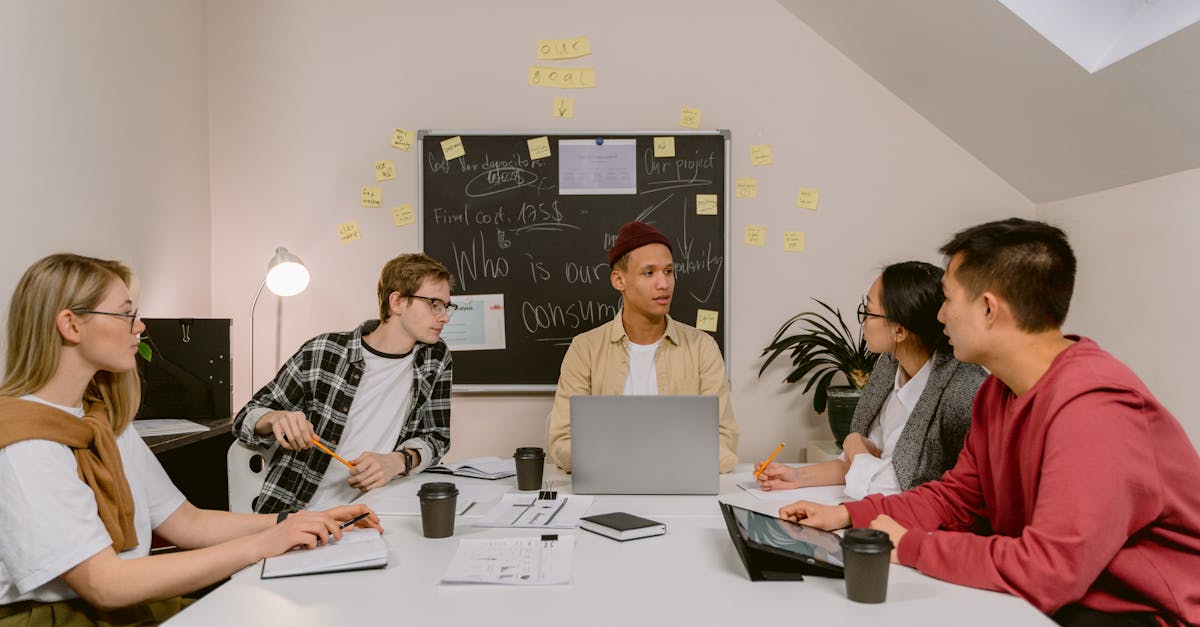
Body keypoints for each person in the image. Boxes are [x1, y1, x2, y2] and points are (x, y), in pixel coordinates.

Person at [780, 219, 1200, 626]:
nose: (939, 317)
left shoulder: (1095, 408)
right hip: (1068, 600)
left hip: (1142, 614)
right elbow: (956, 500)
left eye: (947, 299)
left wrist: (910, 545)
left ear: (987, 309)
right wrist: (851, 517)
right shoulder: (998, 393)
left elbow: (1047, 572)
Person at [0, 253, 380, 624]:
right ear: (71, 325)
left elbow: (187, 523)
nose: (140, 327)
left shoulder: (102, 419)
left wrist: (302, 520)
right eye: (126, 313)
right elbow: (106, 585)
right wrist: (269, 542)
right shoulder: (25, 443)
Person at [234, 253, 455, 513]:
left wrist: (398, 461)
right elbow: (245, 418)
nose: (445, 317)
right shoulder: (323, 351)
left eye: (447, 307)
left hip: (377, 510)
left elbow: (437, 437)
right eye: (434, 304)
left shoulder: (435, 357)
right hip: (299, 511)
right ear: (396, 302)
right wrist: (275, 419)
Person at [756, 261, 986, 498]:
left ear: (899, 331)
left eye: (869, 310)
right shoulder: (889, 365)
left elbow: (902, 487)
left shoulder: (963, 388)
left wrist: (854, 445)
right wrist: (796, 477)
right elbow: (860, 465)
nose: (863, 320)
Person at [547, 220, 739, 473]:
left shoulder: (702, 347)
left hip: (681, 485)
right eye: (649, 273)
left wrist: (658, 465)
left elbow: (724, 440)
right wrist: (617, 465)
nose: (664, 284)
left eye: (669, 271)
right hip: (605, 484)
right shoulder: (585, 349)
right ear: (619, 280)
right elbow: (562, 439)